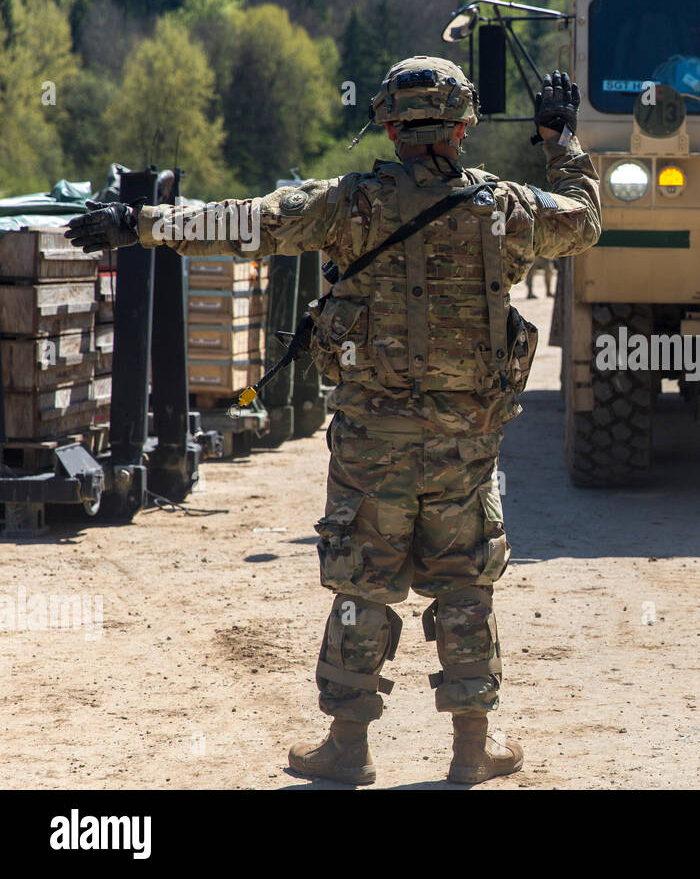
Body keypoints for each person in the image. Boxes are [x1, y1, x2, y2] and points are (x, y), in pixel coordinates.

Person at [66, 58, 601, 785]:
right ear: (465, 126)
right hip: (465, 441)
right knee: (465, 583)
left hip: (369, 442)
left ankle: (348, 749)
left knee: (363, 586)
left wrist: (138, 223)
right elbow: (585, 219)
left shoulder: (347, 206)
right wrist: (558, 137)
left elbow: (243, 222)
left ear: (386, 123)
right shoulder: (503, 208)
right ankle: (473, 749)